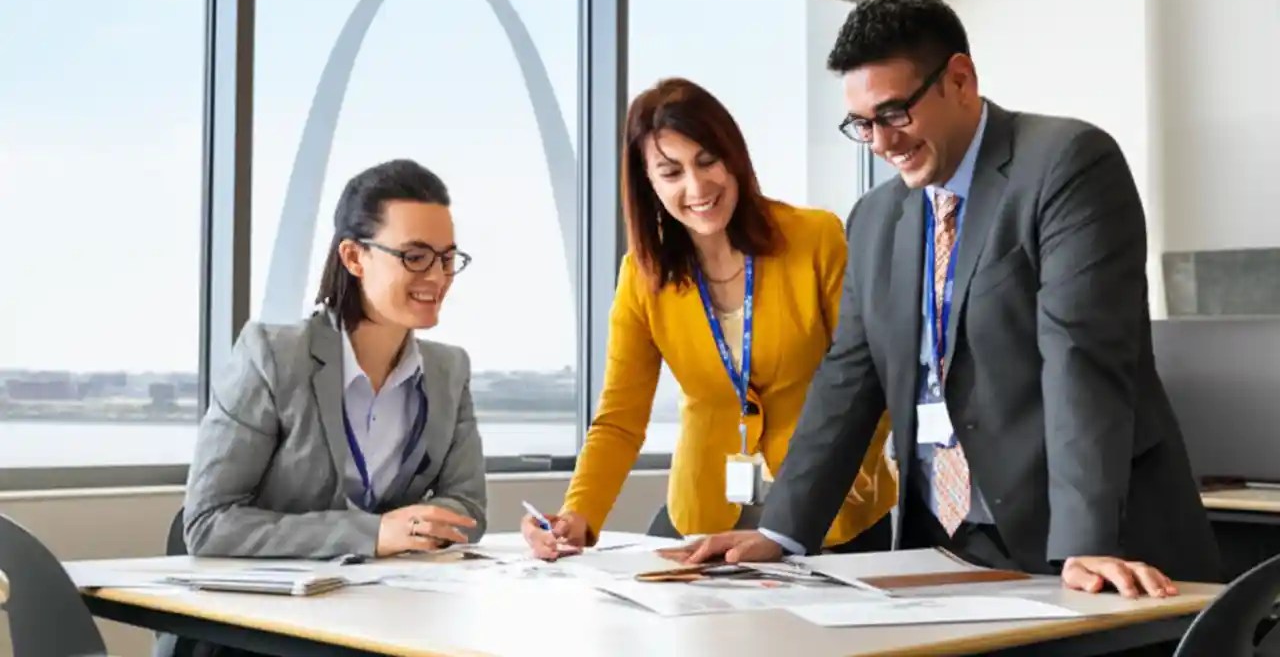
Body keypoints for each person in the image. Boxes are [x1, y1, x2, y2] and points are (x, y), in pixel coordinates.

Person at [681, 0, 1222, 598]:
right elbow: (849, 382)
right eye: (862, 124)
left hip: (1083, 540)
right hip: (943, 550)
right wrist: (781, 532)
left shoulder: (1066, 165)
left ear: (960, 81)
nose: (881, 143)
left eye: (893, 113)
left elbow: (1083, 358)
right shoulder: (875, 219)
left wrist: (1084, 541)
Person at [521, 77, 896, 559]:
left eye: (707, 161)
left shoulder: (815, 239)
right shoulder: (642, 275)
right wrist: (577, 515)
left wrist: (806, 509)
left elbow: (869, 386)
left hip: (831, 511)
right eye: (671, 172)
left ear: (733, 157)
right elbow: (620, 419)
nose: (696, 187)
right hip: (704, 514)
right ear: (648, 183)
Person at [183, 158, 487, 559]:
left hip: (385, 602)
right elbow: (209, 523)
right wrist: (372, 534)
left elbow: (469, 509)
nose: (437, 277)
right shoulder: (272, 357)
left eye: (447, 258)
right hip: (269, 608)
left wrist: (422, 525)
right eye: (415, 257)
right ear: (354, 258)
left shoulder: (448, 372)